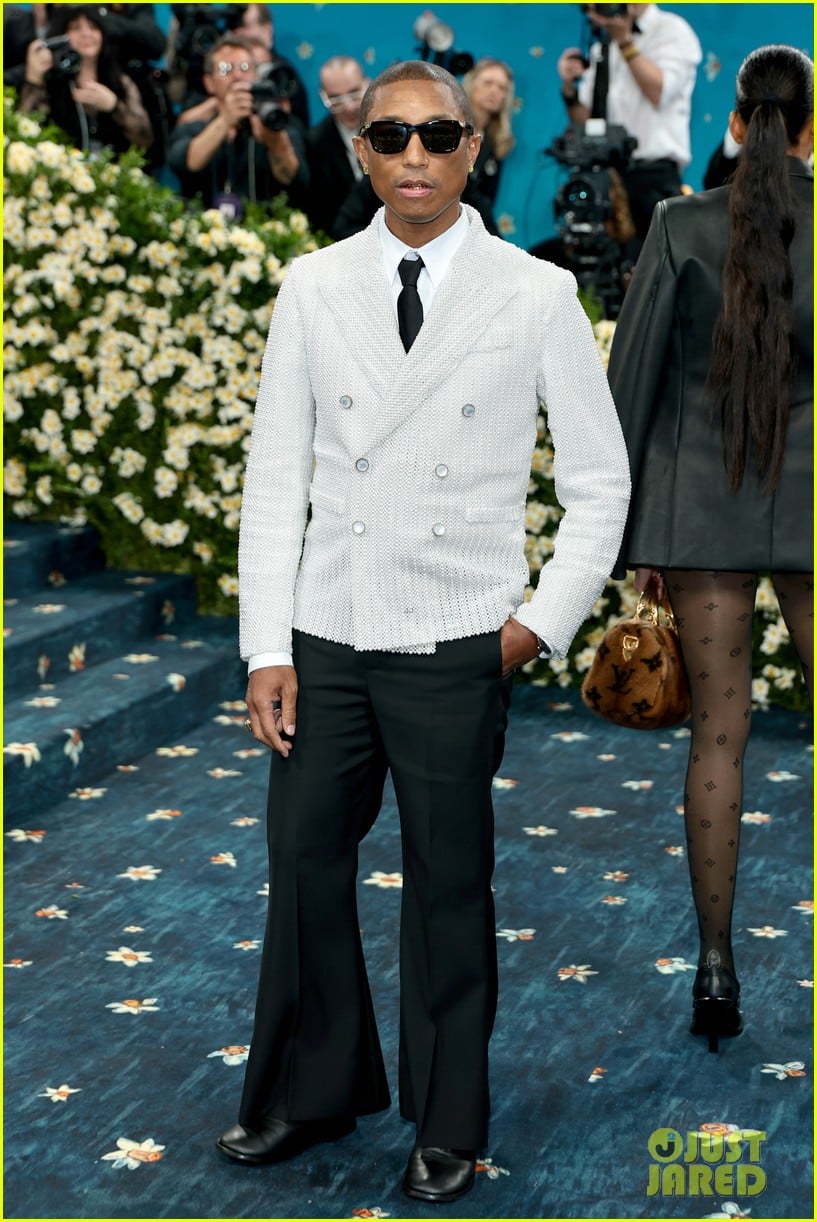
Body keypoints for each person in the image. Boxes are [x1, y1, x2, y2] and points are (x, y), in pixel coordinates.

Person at [220, 59, 630, 1203]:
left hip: (456, 639)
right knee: (302, 862)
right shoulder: (312, 284)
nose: (412, 155)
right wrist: (266, 645)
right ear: (360, 146)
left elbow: (601, 481)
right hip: (328, 636)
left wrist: (537, 624)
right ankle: (311, 1091)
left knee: (450, 883)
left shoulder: (534, 292)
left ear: (471, 147)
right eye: (390, 134)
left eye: (436, 135)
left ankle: (448, 1119)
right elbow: (273, 479)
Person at [607, 44, 813, 1053]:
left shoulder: (679, 225)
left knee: (717, 741)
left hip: (700, 515)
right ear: (811, 128)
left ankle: (716, 966)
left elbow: (630, 385)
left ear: (733, 123)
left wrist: (634, 531)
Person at [557, 2, 701, 241]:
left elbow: (659, 91)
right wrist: (569, 89)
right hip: (609, 177)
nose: (595, 15)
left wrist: (625, 42)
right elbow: (587, 121)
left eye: (599, 7)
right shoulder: (603, 47)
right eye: (588, 9)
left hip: (653, 174)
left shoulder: (672, 30)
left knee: (654, 269)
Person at [168, 34, 310, 217]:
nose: (237, 76)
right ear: (209, 82)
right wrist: (226, 119)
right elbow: (185, 163)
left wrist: (275, 142)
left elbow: (296, 180)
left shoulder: (277, 121)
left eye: (245, 68)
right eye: (225, 69)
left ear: (256, 75)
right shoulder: (194, 126)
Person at [16, 4, 153, 159]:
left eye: (93, 27)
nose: (86, 34)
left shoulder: (120, 80)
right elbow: (25, 131)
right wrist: (34, 78)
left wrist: (115, 106)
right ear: (62, 36)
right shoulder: (52, 81)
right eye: (76, 28)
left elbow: (145, 141)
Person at [303, 55, 369, 237]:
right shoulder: (315, 143)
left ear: (368, 85)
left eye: (355, 94)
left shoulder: (392, 129)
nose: (348, 107)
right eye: (335, 99)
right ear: (323, 96)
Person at [461, 57, 516, 206]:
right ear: (472, 84)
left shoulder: (496, 143)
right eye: (488, 83)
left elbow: (487, 200)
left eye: (501, 88)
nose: (494, 91)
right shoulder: (450, 129)